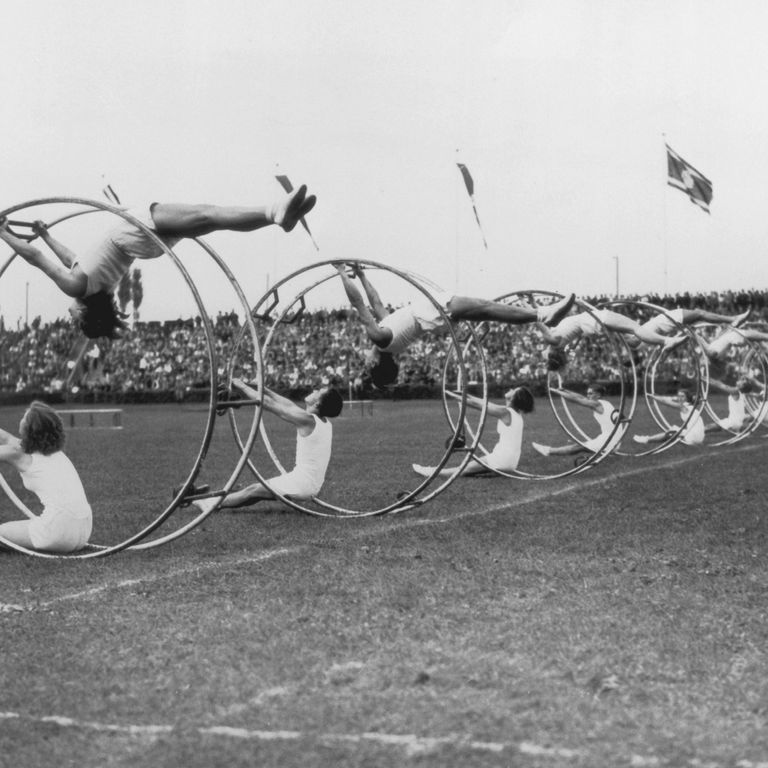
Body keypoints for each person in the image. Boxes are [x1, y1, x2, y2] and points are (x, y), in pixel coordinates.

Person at [0, 185, 317, 339]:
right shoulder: (77, 287)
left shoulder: (87, 284)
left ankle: (276, 215)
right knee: (207, 214)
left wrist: (44, 235)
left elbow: (69, 257)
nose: (69, 317)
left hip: (140, 242)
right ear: (85, 312)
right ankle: (273, 213)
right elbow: (35, 258)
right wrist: (4, 235)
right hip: (132, 234)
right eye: (76, 320)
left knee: (208, 217)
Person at [334, 263, 575, 388]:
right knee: (488, 308)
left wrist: (362, 276)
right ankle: (543, 315)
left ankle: (542, 315)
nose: (363, 361)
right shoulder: (380, 338)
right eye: (367, 366)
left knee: (487, 309)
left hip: (430, 311)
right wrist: (342, 274)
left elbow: (374, 303)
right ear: (375, 363)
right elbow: (359, 305)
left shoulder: (387, 338)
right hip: (431, 312)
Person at [191, 377, 343, 513]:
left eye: (319, 391)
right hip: (309, 483)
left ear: (317, 403)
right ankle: (210, 501)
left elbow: (270, 404)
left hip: (302, 483)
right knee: (256, 491)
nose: (315, 389)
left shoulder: (308, 420)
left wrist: (243, 387)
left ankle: (210, 504)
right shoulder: (323, 422)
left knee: (252, 490)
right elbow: (287, 404)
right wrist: (264, 389)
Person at [0, 401, 92, 553]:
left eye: (25, 417)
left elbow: (10, 444)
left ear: (30, 429)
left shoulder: (18, 453)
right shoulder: (54, 451)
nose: (21, 419)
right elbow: (6, 439)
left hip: (57, 531)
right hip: (84, 529)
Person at [412, 386, 534, 477]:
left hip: (502, 459)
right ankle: (492, 471)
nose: (511, 388)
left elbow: (480, 406)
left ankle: (429, 472)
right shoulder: (514, 413)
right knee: (473, 468)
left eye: (515, 390)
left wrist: (457, 398)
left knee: (462, 469)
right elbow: (485, 402)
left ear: (515, 397)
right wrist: (467, 395)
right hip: (511, 462)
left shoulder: (505, 412)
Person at [538, 309, 681, 373]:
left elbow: (542, 314)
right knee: (635, 329)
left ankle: (641, 344)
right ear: (550, 353)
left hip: (592, 324)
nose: (543, 352)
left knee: (633, 339)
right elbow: (536, 317)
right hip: (597, 319)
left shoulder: (559, 343)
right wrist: (523, 303)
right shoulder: (552, 339)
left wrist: (529, 300)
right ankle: (665, 341)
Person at [531, 384, 625, 456]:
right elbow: (581, 397)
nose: (588, 396)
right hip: (615, 441)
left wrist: (557, 392)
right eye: (588, 393)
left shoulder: (596, 404)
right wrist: (565, 390)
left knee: (579, 447)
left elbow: (577, 400)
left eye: (590, 394)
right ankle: (607, 449)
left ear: (598, 395)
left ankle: (548, 451)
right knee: (582, 445)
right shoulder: (605, 403)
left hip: (610, 441)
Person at [633, 389, 705, 446]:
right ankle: (647, 439)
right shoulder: (690, 406)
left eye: (682, 396)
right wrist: (656, 395)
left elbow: (665, 401)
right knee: (674, 432)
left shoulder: (683, 406)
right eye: (679, 396)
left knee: (670, 433)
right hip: (700, 437)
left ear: (687, 398)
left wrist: (652, 396)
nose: (680, 398)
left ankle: (646, 439)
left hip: (694, 437)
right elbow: (669, 398)